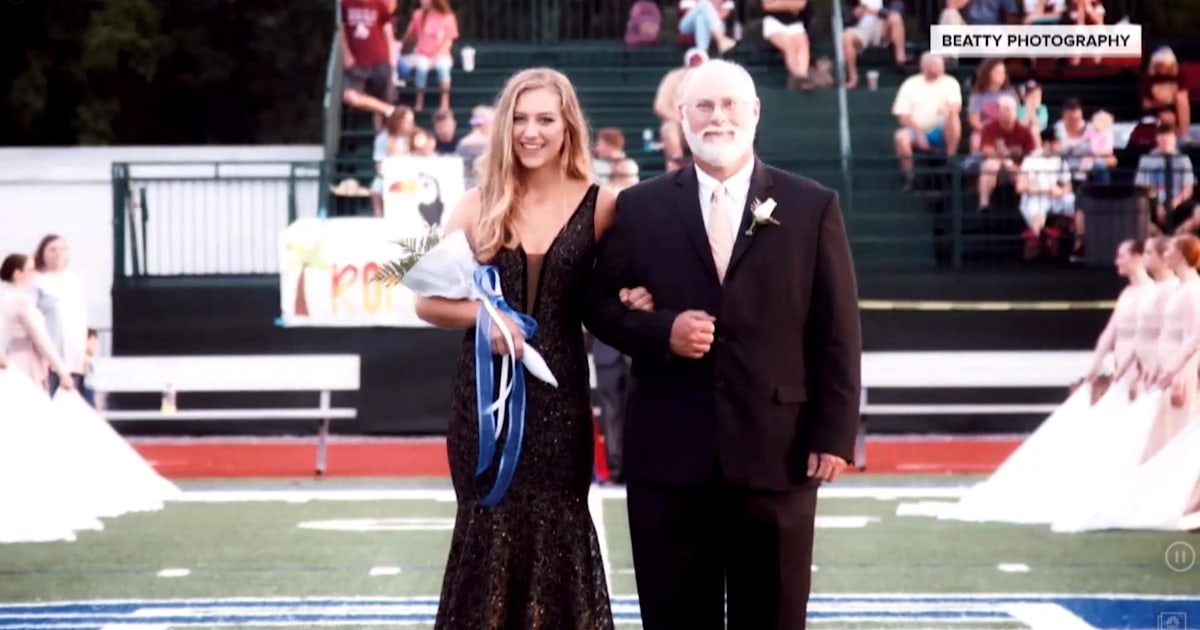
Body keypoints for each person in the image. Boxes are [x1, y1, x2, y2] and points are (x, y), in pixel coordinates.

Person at [584, 59, 862, 629]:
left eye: (731, 104)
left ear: (755, 113)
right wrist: (662, 331)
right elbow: (596, 306)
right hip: (669, 457)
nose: (718, 117)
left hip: (778, 454)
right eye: (704, 106)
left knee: (775, 618)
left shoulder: (812, 207)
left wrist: (834, 433)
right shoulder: (638, 207)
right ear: (681, 118)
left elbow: (837, 331)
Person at [413, 67, 645, 630]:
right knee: (487, 526)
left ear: (568, 126)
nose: (530, 131)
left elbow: (620, 291)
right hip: (484, 409)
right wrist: (484, 317)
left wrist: (638, 297)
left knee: (561, 525)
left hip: (561, 403)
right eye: (519, 118)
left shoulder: (604, 206)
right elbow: (427, 301)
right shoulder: (476, 205)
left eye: (545, 118)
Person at [939, 239, 1150, 524]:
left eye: (1122, 255)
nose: (1117, 261)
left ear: (1137, 257)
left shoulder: (1152, 293)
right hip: (1122, 373)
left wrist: (1132, 368)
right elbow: (1110, 334)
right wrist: (1096, 366)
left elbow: (1146, 338)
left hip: (1139, 373)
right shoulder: (1127, 293)